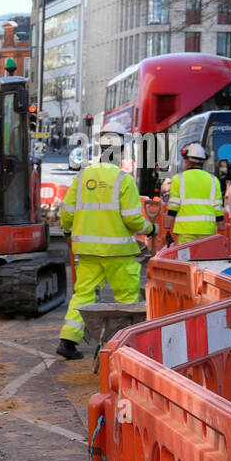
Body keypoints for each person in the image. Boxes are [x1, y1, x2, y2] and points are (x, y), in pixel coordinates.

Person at [56, 131, 156, 360]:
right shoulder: (124, 179)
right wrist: (152, 229)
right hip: (118, 252)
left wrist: (67, 230)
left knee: (84, 294)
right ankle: (124, 346)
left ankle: (68, 341)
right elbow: (132, 219)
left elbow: (67, 212)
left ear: (100, 150)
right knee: (126, 297)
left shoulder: (83, 177)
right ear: (120, 153)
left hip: (87, 251)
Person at [166, 142, 224, 244]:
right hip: (207, 231)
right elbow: (218, 209)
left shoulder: (178, 179)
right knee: (205, 259)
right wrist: (222, 229)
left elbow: (173, 208)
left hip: (185, 231)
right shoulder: (214, 180)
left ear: (188, 161)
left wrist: (166, 229)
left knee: (186, 260)